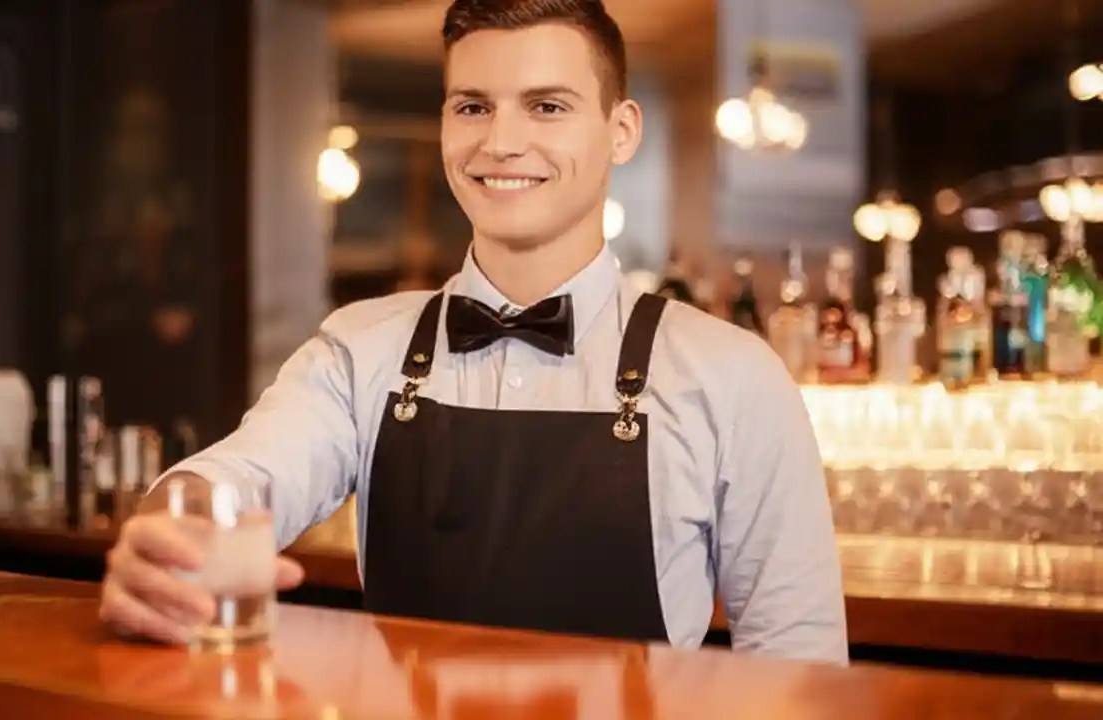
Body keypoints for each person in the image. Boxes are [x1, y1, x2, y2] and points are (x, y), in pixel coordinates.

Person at [100, 0, 848, 665]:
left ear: (621, 132)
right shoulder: (359, 349)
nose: (501, 142)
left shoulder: (733, 377)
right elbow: (243, 476)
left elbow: (799, 665)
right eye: (472, 107)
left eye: (546, 106)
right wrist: (175, 534)